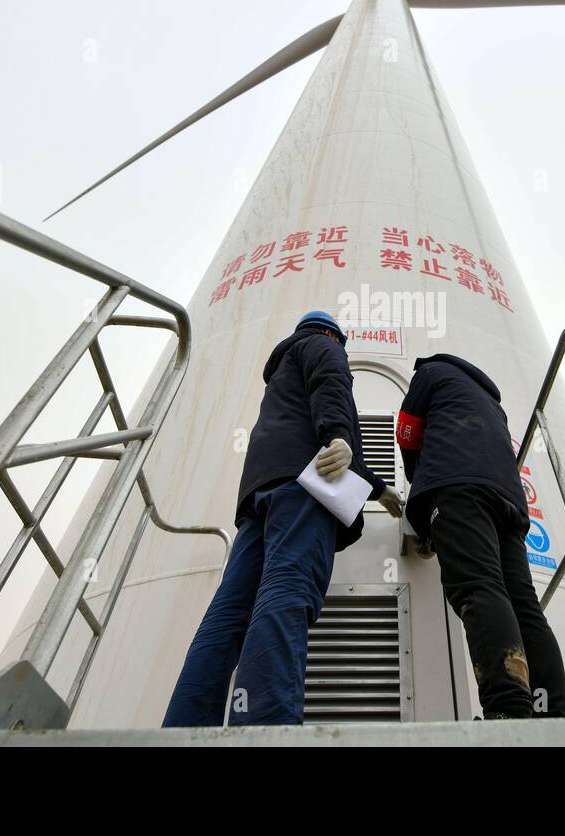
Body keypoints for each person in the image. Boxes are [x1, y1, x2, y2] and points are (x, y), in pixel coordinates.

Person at [162, 310, 403, 727]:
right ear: (334, 336)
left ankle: (184, 728)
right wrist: (341, 436)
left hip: (260, 492)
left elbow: (299, 421)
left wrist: (379, 490)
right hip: (304, 485)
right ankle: (264, 727)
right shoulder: (325, 345)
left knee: (229, 612)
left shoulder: (279, 377)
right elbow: (331, 390)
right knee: (288, 588)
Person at [396, 353, 565, 719]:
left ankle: (507, 707)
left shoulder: (430, 373)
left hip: (458, 488)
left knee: (477, 586)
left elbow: (407, 429)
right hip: (509, 500)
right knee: (524, 605)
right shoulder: (492, 401)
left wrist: (418, 481)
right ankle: (549, 710)